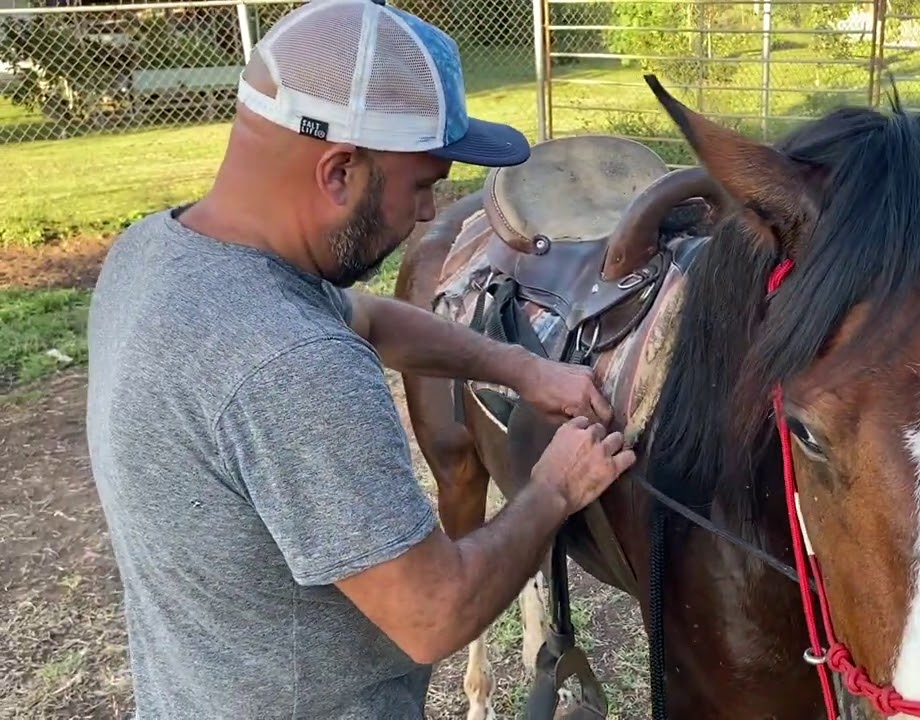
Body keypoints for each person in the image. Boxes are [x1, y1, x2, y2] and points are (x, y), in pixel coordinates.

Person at [83, 0, 636, 717]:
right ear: (340, 172)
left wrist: (523, 368)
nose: (432, 214)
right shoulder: (292, 365)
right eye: (423, 185)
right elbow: (433, 616)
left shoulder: (154, 251)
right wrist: (557, 488)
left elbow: (366, 316)